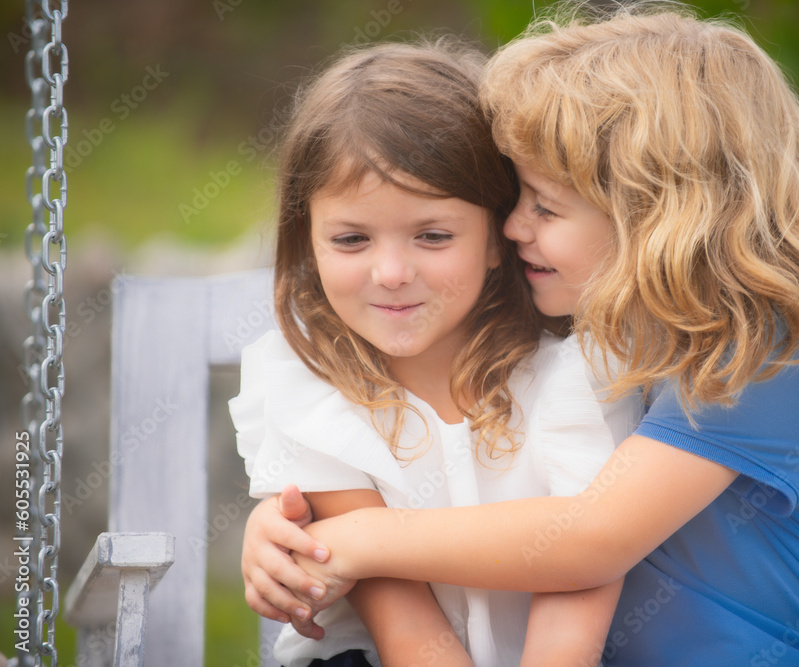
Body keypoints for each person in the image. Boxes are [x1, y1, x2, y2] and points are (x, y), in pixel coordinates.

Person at [242, 5, 799, 665]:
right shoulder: (617, 339)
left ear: (653, 219)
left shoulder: (757, 350)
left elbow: (588, 538)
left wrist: (356, 537)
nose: (512, 225)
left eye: (543, 206)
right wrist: (285, 520)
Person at [230, 39, 638, 667]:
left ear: (500, 237)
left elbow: (581, 573)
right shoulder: (309, 386)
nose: (391, 272)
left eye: (433, 235)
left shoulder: (572, 377)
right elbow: (406, 630)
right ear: (307, 242)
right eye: (351, 238)